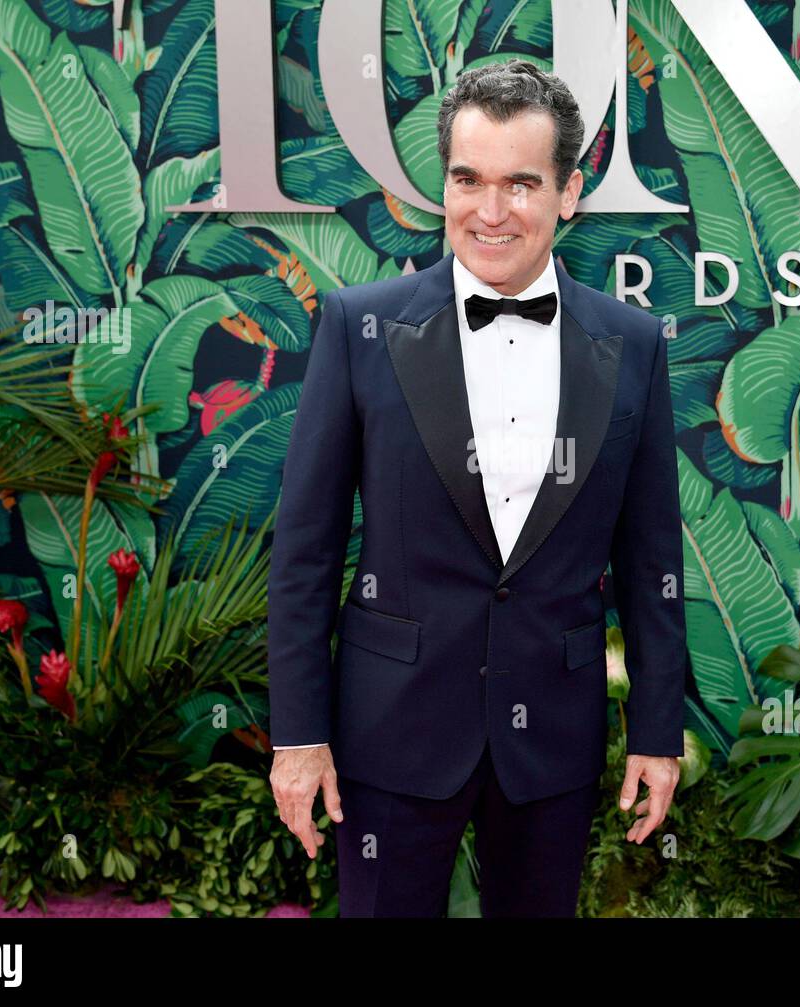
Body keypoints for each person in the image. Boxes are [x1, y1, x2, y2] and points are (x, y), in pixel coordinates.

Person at [268, 58, 686, 918]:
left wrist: (654, 729)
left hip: (553, 741)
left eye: (521, 184)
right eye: (468, 180)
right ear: (445, 185)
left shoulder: (633, 343)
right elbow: (304, 554)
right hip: (393, 731)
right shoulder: (361, 326)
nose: (489, 213)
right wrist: (300, 736)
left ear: (569, 194)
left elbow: (652, 562)